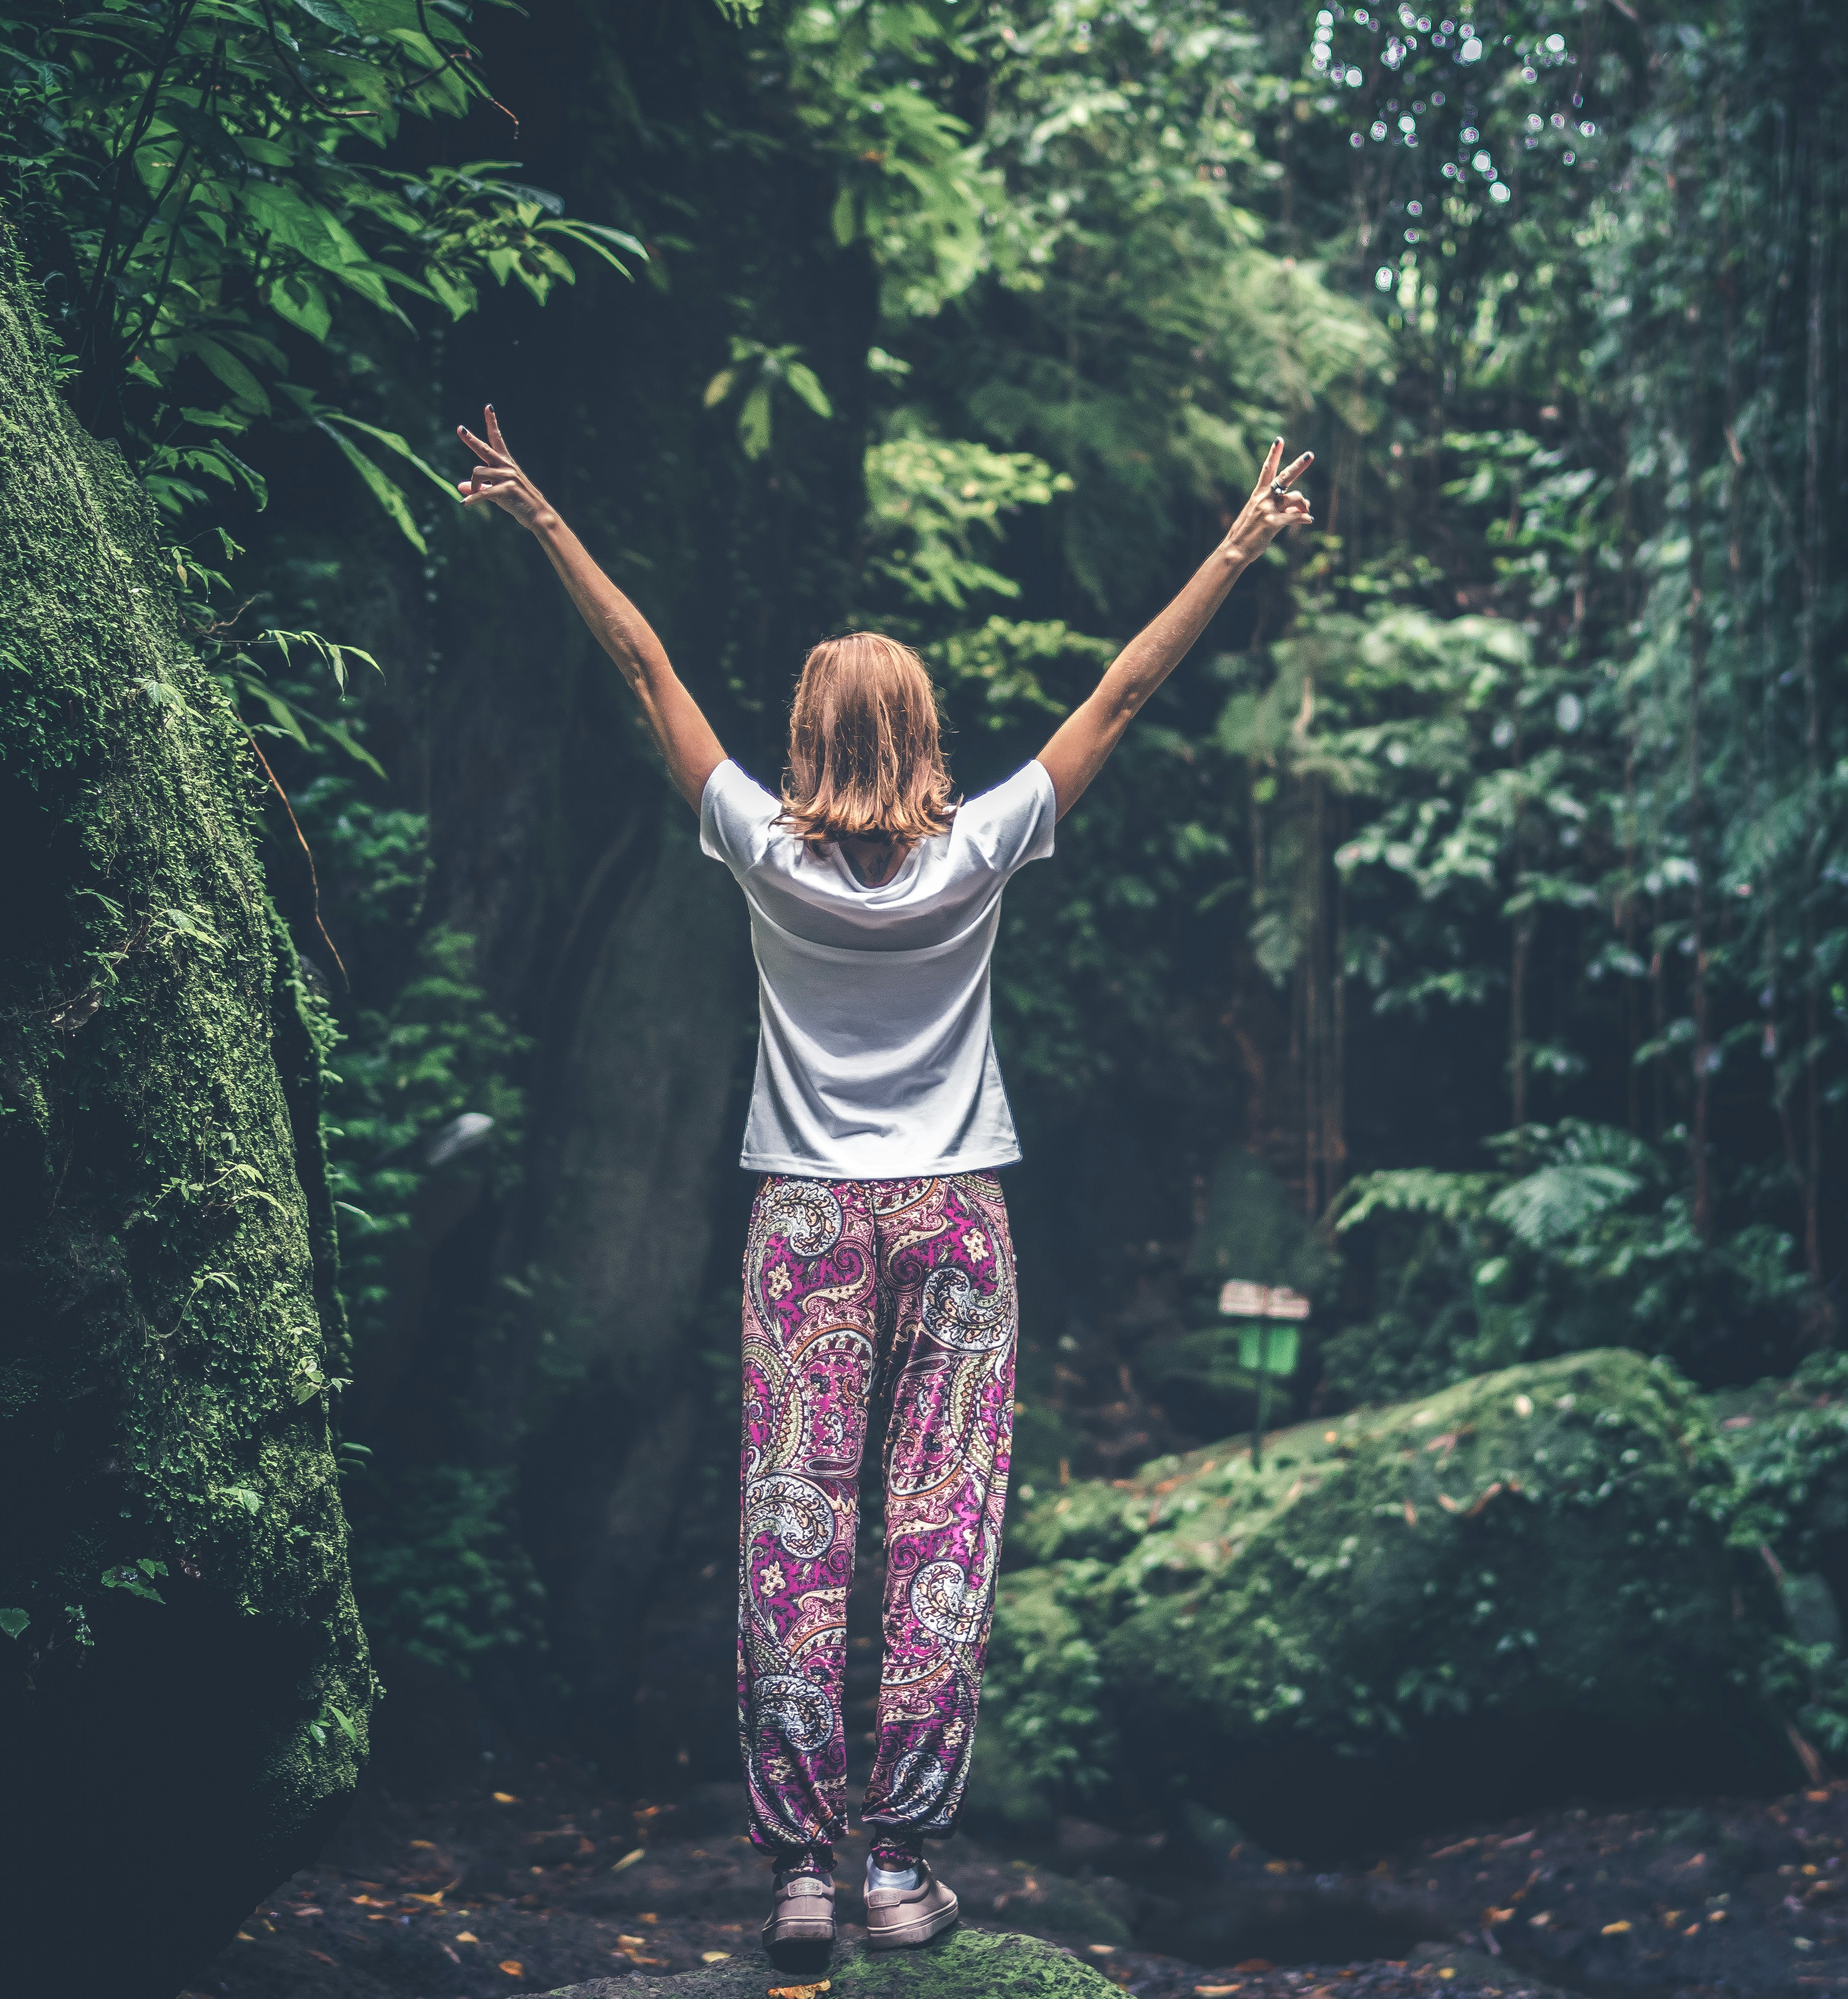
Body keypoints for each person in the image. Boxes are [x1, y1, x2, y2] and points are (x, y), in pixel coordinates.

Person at [453, 406, 1312, 1966]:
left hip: (802, 1224)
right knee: (939, 1523)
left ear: (804, 736)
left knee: (794, 1526)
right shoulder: (980, 849)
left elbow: (646, 669)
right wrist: (1240, 545)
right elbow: (1125, 686)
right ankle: (901, 1867)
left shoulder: (759, 851)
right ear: (921, 737)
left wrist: (542, 516)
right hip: (955, 1220)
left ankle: (798, 1872)